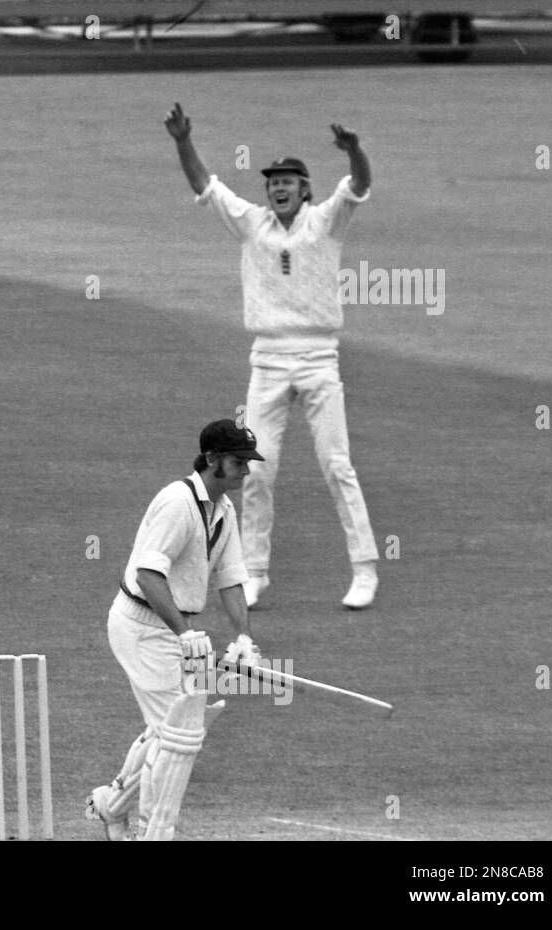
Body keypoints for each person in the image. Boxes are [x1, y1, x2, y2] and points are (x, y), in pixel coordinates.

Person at [163, 102, 380, 610]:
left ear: (305, 188)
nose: (279, 187)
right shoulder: (252, 224)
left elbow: (360, 184)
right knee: (256, 469)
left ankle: (365, 568)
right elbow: (205, 187)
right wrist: (182, 141)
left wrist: (353, 150)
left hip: (319, 356)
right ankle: (255, 571)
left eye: (288, 180)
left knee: (336, 464)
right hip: (267, 359)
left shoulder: (326, 220)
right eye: (272, 182)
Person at [85, 419, 265, 841]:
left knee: (175, 728)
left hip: (175, 630)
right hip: (141, 627)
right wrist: (184, 633)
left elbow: (232, 577)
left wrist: (243, 637)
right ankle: (155, 834)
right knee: (181, 734)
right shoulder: (176, 502)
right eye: (238, 462)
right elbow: (149, 574)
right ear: (213, 459)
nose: (246, 471)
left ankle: (112, 806)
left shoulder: (224, 508)